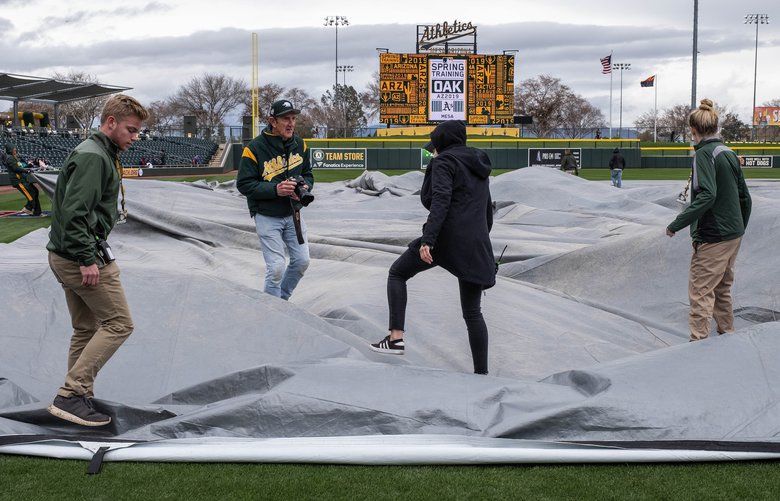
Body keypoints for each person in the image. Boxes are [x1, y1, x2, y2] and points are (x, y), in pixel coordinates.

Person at [46, 94, 149, 426]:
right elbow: (74, 214)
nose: (135, 138)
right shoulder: (94, 157)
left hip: (66, 254)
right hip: (80, 255)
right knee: (119, 324)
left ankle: (77, 397)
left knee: (86, 327)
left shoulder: (102, 152)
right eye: (131, 130)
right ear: (111, 123)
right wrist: (87, 259)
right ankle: (71, 394)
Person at [369, 120, 496, 375]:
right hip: (476, 242)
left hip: (446, 238)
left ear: (442, 142)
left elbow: (440, 200)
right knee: (473, 313)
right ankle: (482, 375)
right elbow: (487, 211)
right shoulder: (479, 165)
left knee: (397, 273)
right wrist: (481, 243)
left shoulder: (443, 162)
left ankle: (395, 338)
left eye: (434, 145)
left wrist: (429, 239)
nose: (433, 150)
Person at [666, 99, 752, 342]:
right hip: (733, 234)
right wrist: (738, 228)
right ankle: (727, 334)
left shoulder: (703, 154)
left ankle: (698, 344)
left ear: (693, 131)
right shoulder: (729, 153)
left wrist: (677, 224)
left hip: (713, 235)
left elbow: (708, 194)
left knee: (701, 291)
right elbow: (745, 197)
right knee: (722, 288)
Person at [237, 99, 313, 300]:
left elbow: (308, 174)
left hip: (293, 213)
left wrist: (305, 186)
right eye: (285, 119)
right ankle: (271, 309)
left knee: (302, 261)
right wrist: (275, 189)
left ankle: (281, 301)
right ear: (272, 121)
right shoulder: (254, 148)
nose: (291, 123)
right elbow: (244, 184)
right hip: (267, 215)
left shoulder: (300, 144)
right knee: (277, 267)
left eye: (293, 118)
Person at [3, 143, 41, 215]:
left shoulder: (14, 157)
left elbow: (20, 166)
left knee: (35, 191)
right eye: (14, 149)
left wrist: (29, 165)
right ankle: (28, 208)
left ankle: (37, 211)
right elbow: (16, 168)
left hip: (23, 179)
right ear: (10, 150)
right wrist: (26, 170)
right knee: (31, 195)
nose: (15, 150)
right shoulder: (10, 158)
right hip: (18, 181)